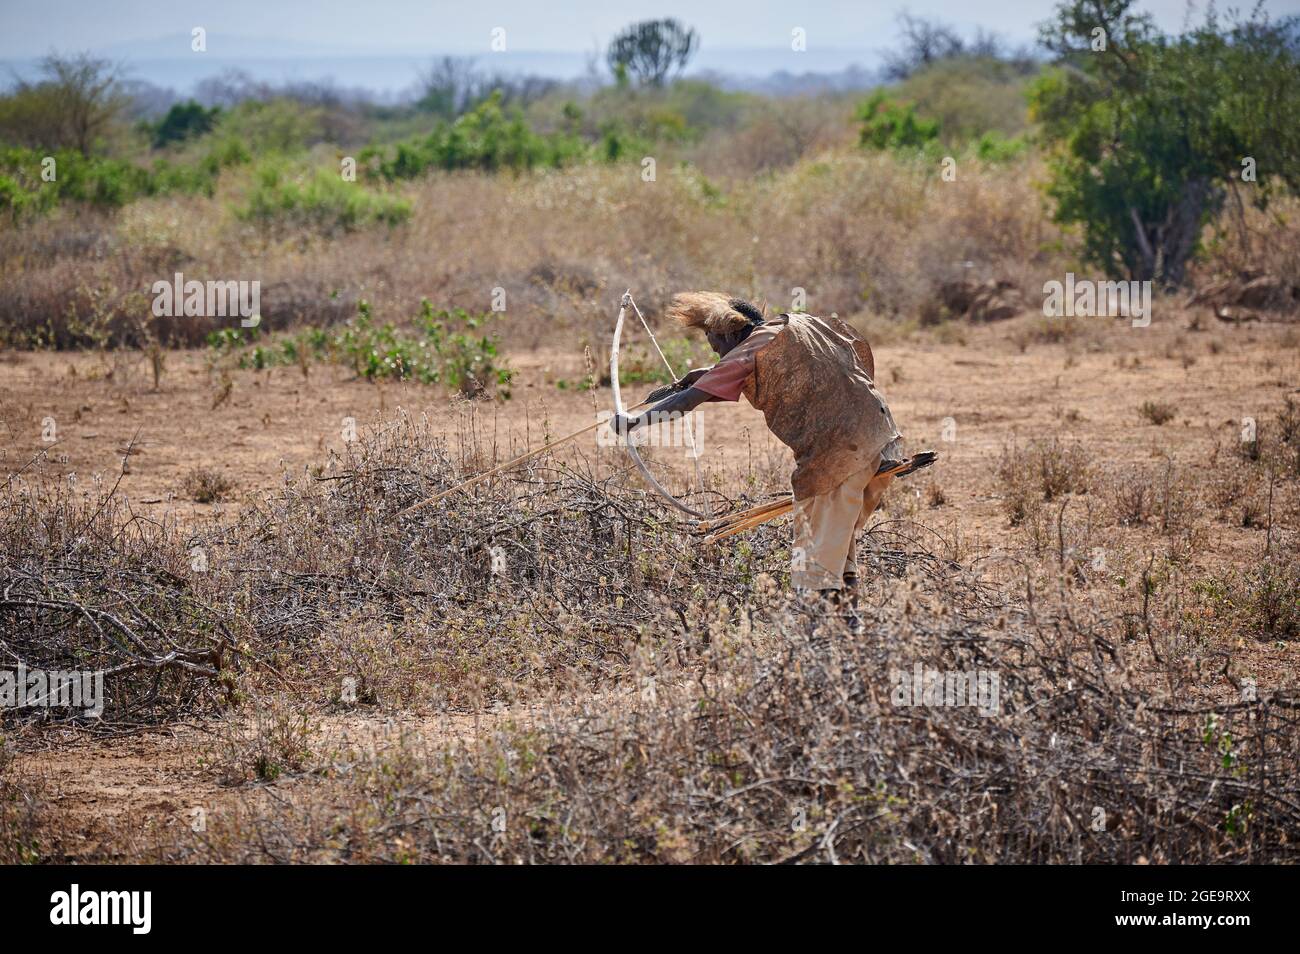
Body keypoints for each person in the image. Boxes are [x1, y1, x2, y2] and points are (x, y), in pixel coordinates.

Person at [611, 291, 909, 629]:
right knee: (837, 547)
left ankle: (817, 645)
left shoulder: (748, 353)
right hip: (880, 439)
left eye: (715, 344)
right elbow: (841, 353)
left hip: (836, 457)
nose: (715, 351)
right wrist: (710, 373)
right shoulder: (798, 325)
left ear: (730, 332)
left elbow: (691, 400)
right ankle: (850, 633)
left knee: (814, 555)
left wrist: (633, 423)